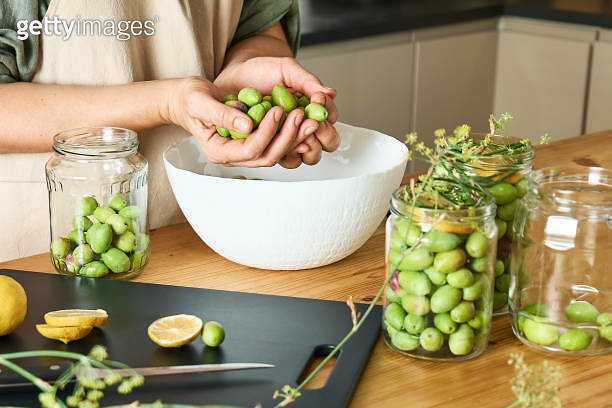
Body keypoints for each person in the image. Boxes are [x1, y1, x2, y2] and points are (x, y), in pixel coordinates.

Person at [0, 0, 339, 262]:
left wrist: (247, 68)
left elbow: (259, 28)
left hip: (208, 237)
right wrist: (167, 102)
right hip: (47, 255)